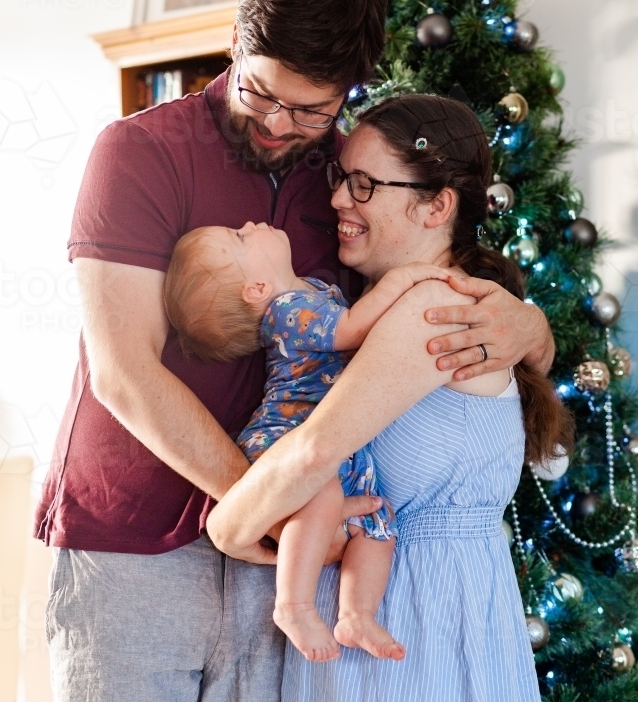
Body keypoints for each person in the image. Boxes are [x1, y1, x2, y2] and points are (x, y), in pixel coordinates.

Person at [36, 0, 555, 702]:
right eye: (260, 93)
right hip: (139, 541)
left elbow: (428, 278)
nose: (279, 124)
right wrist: (267, 506)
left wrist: (528, 328)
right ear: (236, 45)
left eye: (311, 109)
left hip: (286, 551)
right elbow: (124, 372)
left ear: (349, 90)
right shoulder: (139, 152)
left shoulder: (353, 180)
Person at [207, 94, 573, 702]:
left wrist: (225, 526)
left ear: (437, 206)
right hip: (410, 620)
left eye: (364, 184)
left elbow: (314, 450)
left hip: (412, 628)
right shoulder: (417, 308)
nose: (338, 199)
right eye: (341, 177)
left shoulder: (431, 313)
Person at [164, 223, 452, 662]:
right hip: (286, 439)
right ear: (257, 287)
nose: (248, 225)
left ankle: (356, 613)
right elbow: (353, 329)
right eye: (240, 239)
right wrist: (402, 279)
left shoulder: (312, 291)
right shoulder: (288, 311)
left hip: (333, 446)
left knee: (378, 523)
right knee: (324, 496)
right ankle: (293, 606)